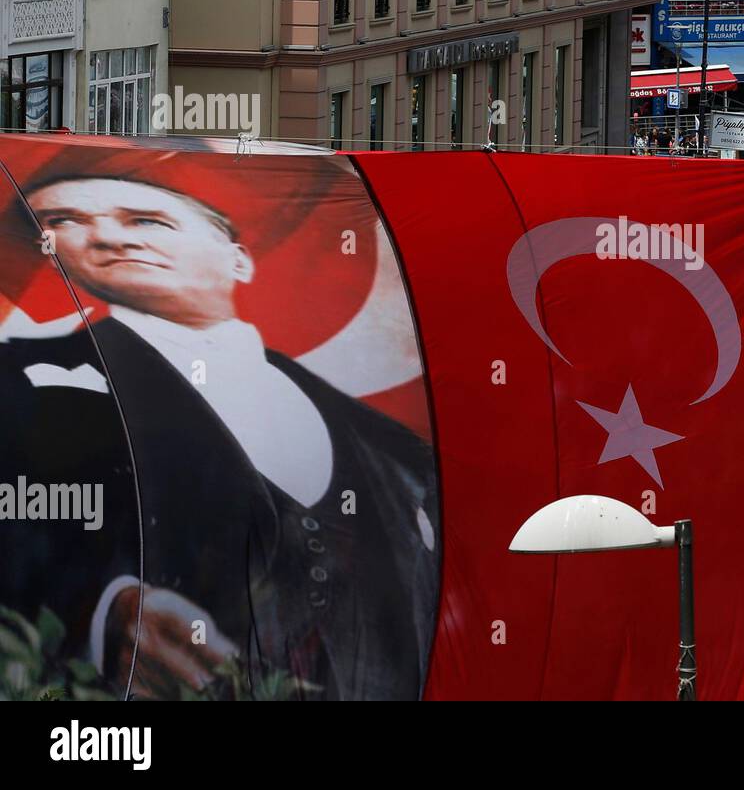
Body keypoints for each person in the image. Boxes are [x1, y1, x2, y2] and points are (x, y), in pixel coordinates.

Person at [0, 173, 440, 700]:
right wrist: (98, 616)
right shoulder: (19, 381)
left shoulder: (389, 444)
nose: (111, 238)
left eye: (146, 220)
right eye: (64, 222)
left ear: (238, 258)